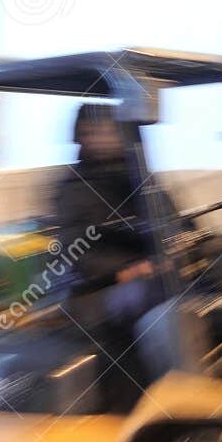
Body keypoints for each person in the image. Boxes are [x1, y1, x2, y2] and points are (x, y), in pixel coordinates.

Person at [54, 102, 165, 407]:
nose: (107, 137)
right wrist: (127, 270)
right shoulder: (72, 189)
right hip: (94, 291)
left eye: (110, 130)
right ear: (81, 136)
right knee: (145, 296)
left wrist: (187, 241)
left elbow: (171, 218)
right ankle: (143, 398)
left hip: (148, 274)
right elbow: (75, 254)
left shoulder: (135, 177)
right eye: (96, 131)